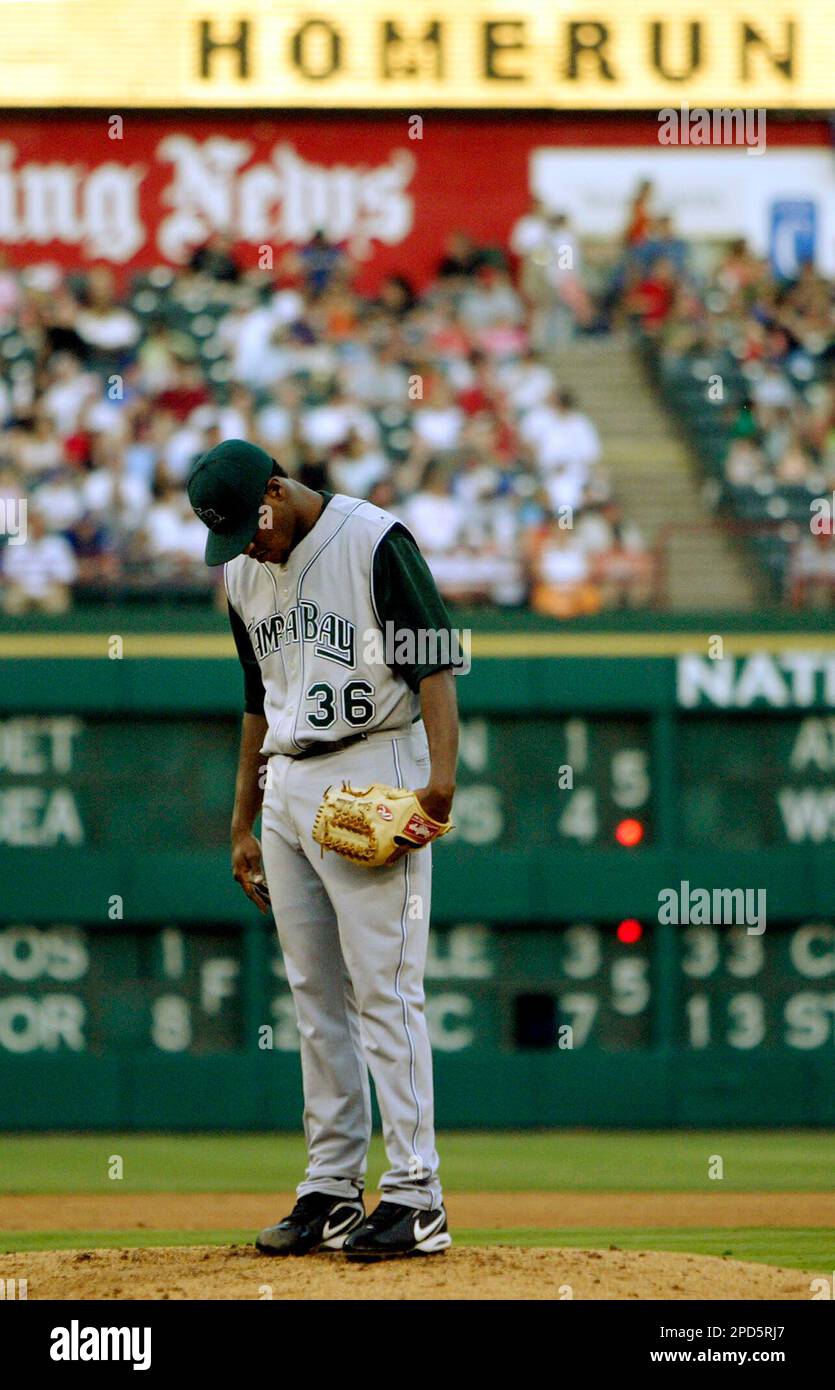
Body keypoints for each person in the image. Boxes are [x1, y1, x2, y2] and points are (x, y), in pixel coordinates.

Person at [187, 439, 459, 1260]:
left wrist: (439, 785)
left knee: (385, 986)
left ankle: (416, 1195)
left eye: (249, 524)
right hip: (286, 781)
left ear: (277, 489)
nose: (245, 543)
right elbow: (254, 701)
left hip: (375, 765)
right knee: (314, 995)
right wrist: (243, 820)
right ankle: (332, 1187)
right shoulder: (241, 571)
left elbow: (437, 666)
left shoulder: (373, 540)